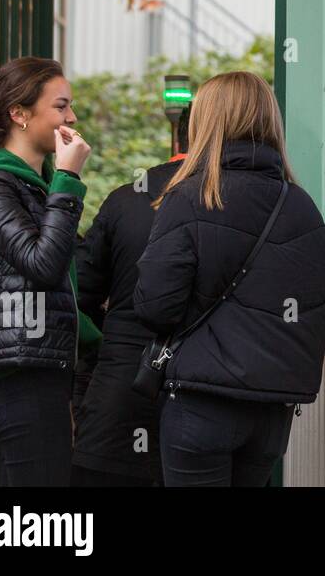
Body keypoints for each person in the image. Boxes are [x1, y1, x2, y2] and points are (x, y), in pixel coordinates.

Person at [134, 71, 325, 487]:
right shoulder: (302, 208)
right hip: (271, 414)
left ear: (206, 122)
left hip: (199, 403)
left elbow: (155, 307)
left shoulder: (192, 197)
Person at [0, 57, 92, 486]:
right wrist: (67, 177)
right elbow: (43, 265)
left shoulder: (28, 184)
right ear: (20, 114)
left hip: (35, 361)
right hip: (19, 368)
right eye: (61, 106)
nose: (72, 118)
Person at [71, 106, 192, 487]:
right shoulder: (238, 204)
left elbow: (80, 292)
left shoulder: (126, 199)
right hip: (205, 404)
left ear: (178, 137)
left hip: (121, 395)